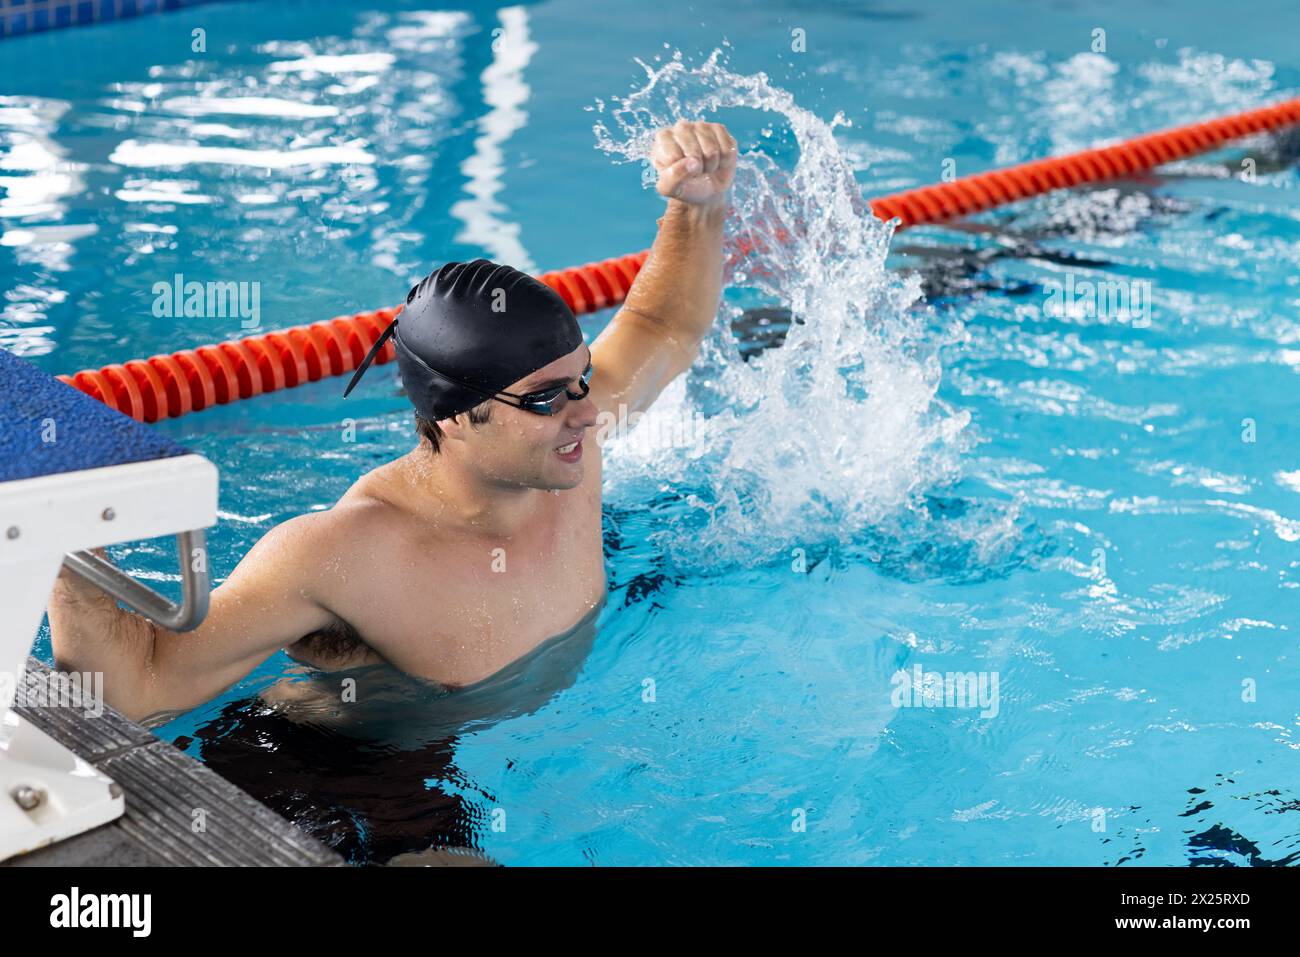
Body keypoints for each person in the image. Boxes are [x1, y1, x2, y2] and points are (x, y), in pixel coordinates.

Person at [46, 119, 737, 726]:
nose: (590, 411)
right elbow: (138, 689)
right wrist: (63, 513)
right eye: (547, 397)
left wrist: (694, 209)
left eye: (583, 380)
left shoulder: (567, 438)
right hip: (360, 774)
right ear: (460, 416)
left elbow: (663, 323)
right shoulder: (340, 555)